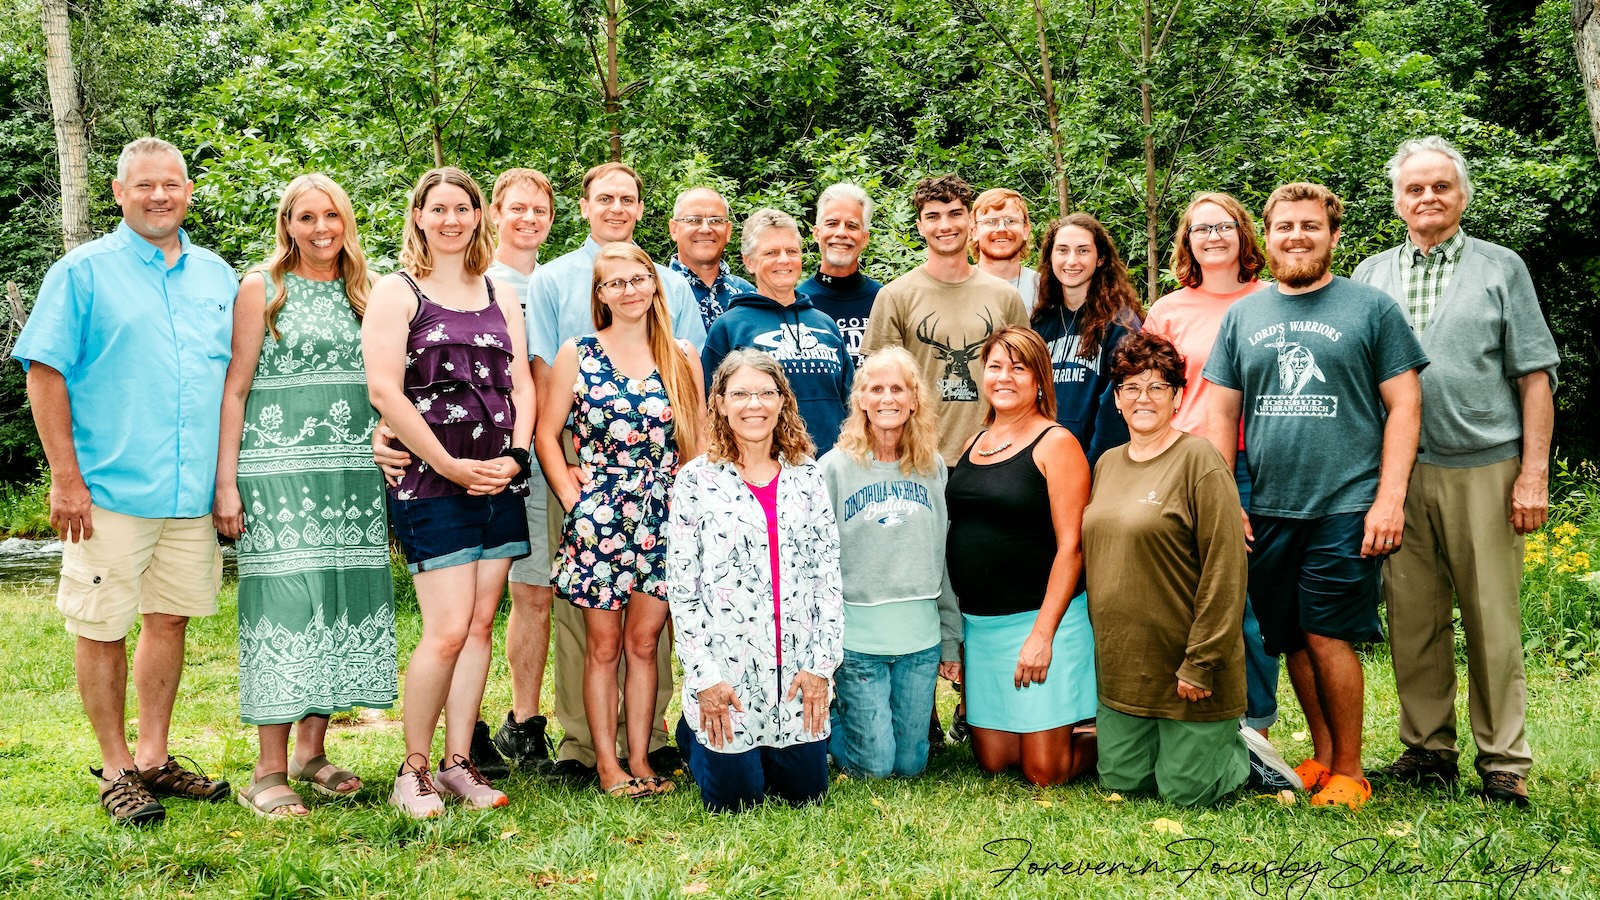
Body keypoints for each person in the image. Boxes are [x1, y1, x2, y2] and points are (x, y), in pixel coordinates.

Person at [13, 137, 236, 825]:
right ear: (119, 193)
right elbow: (44, 372)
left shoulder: (217, 277)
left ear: (188, 191)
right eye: (144, 186)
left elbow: (232, 380)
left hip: (189, 493)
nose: (159, 196)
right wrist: (64, 480)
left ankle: (153, 756)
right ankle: (114, 769)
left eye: (171, 184)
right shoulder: (83, 273)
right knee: (102, 625)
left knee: (169, 618)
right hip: (107, 490)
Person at [1203, 182, 1427, 811]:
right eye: (1284, 227)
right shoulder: (1244, 315)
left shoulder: (1370, 309)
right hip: (1271, 504)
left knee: (1328, 632)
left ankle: (1352, 771)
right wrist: (1228, 496)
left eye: (1310, 226)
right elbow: (1221, 411)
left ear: (1332, 235)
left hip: (1346, 502)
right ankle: (1324, 758)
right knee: (1291, 636)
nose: (1296, 237)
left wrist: (1390, 498)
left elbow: (1405, 404)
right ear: (1266, 238)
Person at [1354, 137, 1559, 808]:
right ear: (1397, 202)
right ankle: (1427, 749)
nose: (1428, 197)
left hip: (1485, 469)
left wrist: (1533, 476)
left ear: (1462, 195)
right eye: (1415, 188)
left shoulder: (1502, 269)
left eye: (1441, 185)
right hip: (1398, 476)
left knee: (1492, 619)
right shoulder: (1371, 275)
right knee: (1412, 621)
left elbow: (1534, 378)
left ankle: (1503, 760)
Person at [214, 174, 396, 818]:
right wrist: (226, 482)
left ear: (348, 223)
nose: (321, 229)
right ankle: (266, 769)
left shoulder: (367, 291)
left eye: (332, 217)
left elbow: (387, 385)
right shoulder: (261, 288)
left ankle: (311, 754)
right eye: (306, 218)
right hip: (278, 473)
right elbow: (235, 389)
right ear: (287, 225)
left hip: (352, 471)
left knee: (338, 599)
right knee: (288, 605)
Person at [523, 161, 705, 783]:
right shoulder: (580, 353)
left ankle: (641, 757)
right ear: (600, 294)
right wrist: (574, 496)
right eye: (615, 283)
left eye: (639, 280)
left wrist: (686, 502)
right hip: (598, 514)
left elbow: (698, 441)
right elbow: (549, 435)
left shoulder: (680, 356)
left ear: (655, 286)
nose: (629, 290)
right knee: (601, 646)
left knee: (646, 644)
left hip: (663, 513)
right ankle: (604, 763)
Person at [362, 166, 535, 817]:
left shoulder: (498, 291)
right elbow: (385, 390)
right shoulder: (397, 291)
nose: (452, 219)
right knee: (445, 629)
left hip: (498, 479)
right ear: (420, 217)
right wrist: (448, 465)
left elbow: (520, 384)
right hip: (431, 481)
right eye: (439, 209)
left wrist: (515, 456)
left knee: (481, 625)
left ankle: (459, 762)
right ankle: (412, 771)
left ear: (476, 216)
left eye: (462, 208)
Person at [1082, 332, 1300, 806]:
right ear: (1116, 399)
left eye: (1157, 386)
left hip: (1189, 672)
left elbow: (1226, 571)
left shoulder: (1199, 460)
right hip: (1125, 673)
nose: (1144, 397)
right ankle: (1174, 745)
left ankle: (1246, 755)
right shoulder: (1106, 464)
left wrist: (1201, 664)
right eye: (1132, 387)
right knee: (1124, 784)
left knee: (1186, 793)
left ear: (1178, 397)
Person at [1144, 192, 1285, 770]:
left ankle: (1255, 728)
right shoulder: (1169, 310)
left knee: (1246, 602)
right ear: (1187, 241)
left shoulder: (1274, 300)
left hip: (1256, 466)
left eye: (1224, 226)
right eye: (1201, 229)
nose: (1213, 237)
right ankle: (1189, 719)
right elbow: (1151, 389)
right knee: (1183, 595)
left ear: (1243, 234)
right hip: (1183, 462)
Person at [667, 349, 843, 812]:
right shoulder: (695, 481)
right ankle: (695, 732)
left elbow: (827, 577)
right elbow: (682, 591)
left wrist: (822, 668)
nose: (754, 404)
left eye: (766, 393)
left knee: (806, 796)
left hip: (796, 677)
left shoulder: (807, 475)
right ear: (720, 403)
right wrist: (704, 678)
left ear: (783, 401)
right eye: (740, 393)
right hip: (729, 677)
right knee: (738, 802)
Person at [945, 326, 1097, 786]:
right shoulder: (975, 441)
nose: (1004, 377)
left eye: (1019, 367)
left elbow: (1073, 547)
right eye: (995, 366)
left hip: (1043, 621)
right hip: (984, 628)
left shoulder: (1056, 444)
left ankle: (1123, 733)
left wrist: (1042, 635)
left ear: (1039, 380)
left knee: (1043, 772)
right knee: (994, 762)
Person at [820, 348, 960, 779]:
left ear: (914, 399)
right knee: (876, 769)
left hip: (919, 640)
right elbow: (819, 563)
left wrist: (950, 636)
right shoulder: (834, 469)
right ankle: (831, 724)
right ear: (860, 399)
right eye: (876, 388)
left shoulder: (931, 466)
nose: (887, 398)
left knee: (911, 764)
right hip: (859, 641)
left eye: (897, 388)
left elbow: (943, 556)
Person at [862, 175, 1029, 464]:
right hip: (917, 459)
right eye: (933, 216)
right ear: (920, 225)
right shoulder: (895, 296)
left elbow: (1026, 380)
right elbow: (877, 392)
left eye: (955, 214)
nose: (945, 226)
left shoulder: (1005, 297)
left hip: (994, 455)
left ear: (971, 223)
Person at [482, 168, 557, 775]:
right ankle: (466, 727)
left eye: (541, 211)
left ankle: (524, 723)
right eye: (518, 209)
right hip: (485, 455)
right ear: (495, 212)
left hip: (548, 454)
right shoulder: (478, 280)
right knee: (470, 602)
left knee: (535, 592)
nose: (529, 219)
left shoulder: (560, 284)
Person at [702, 208, 853, 451]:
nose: (784, 260)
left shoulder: (825, 324)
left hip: (832, 465)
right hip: (761, 468)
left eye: (791, 251)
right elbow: (710, 410)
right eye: (771, 252)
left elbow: (851, 401)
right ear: (749, 262)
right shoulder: (729, 327)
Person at [1030, 214, 1142, 468]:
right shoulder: (1040, 323)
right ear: (1050, 257)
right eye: (1062, 250)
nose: (1072, 261)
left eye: (1083, 251)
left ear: (1100, 259)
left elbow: (1117, 402)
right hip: (1042, 460)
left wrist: (1093, 465)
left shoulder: (1121, 324)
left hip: (1097, 462)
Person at [797, 183, 881, 368]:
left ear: (865, 238)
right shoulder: (796, 303)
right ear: (817, 234)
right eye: (832, 223)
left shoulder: (885, 300)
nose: (841, 233)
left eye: (852, 226)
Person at [668, 187, 754, 329]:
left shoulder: (747, 295)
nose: (706, 229)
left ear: (728, 231)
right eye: (694, 220)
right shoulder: (654, 292)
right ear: (674, 229)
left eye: (715, 221)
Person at [972, 188, 1038, 306]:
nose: (1001, 229)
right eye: (991, 222)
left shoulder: (1045, 289)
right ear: (974, 232)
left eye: (1011, 221)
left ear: (1025, 230)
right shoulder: (955, 287)